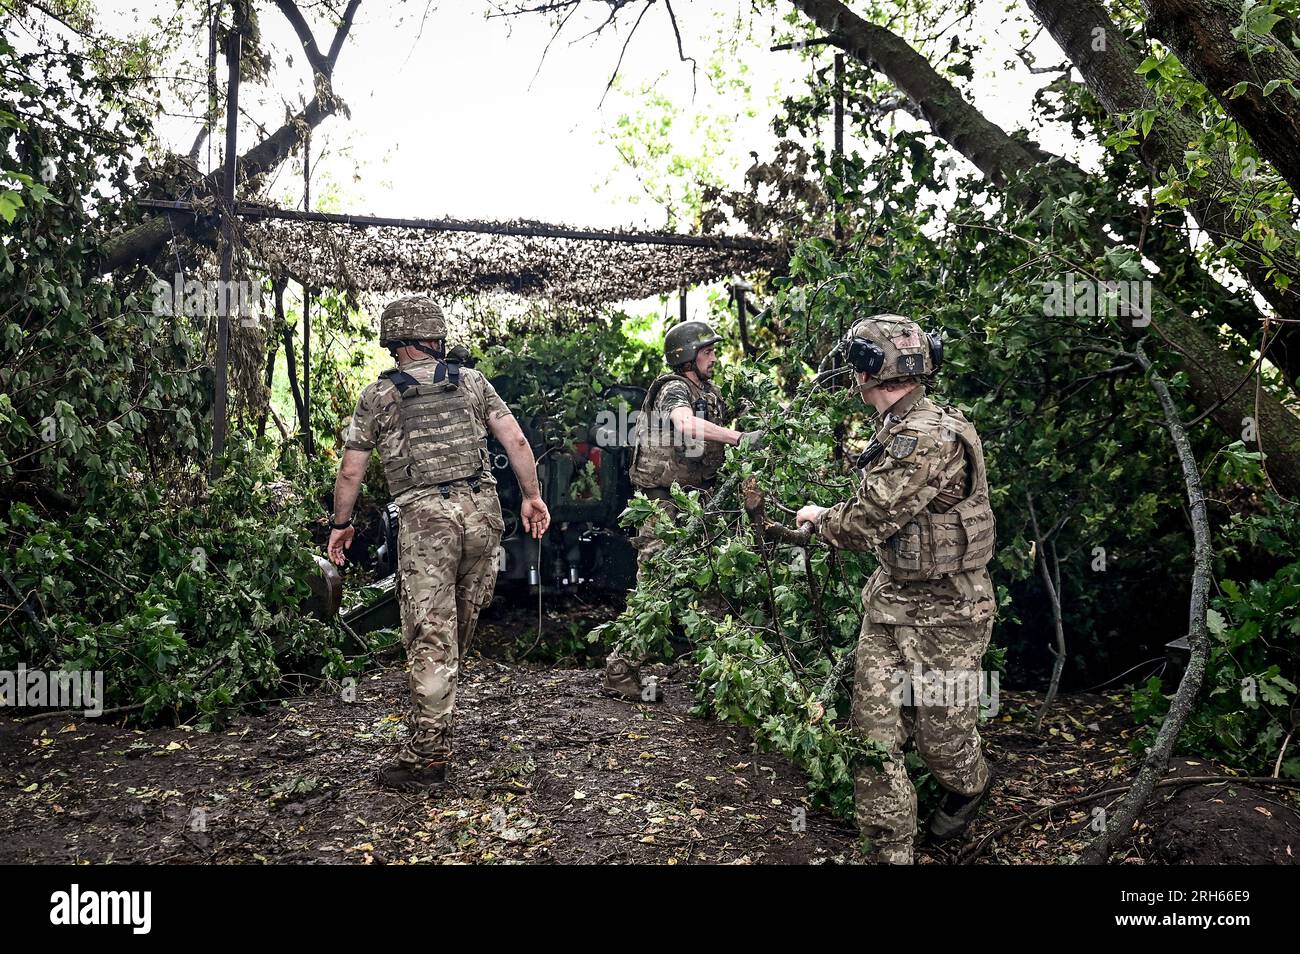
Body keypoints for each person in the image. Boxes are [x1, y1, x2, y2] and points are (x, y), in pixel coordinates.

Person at [327, 295, 550, 791]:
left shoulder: (377, 396)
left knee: (431, 634)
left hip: (428, 521)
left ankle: (427, 755)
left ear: (396, 342)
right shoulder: (472, 381)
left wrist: (341, 523)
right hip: (482, 513)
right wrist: (531, 497)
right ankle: (434, 721)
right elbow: (514, 440)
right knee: (457, 626)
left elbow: (351, 469)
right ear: (434, 336)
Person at [796, 313, 996, 863]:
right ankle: (890, 852)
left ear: (868, 371)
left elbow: (869, 520)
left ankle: (969, 787)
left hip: (950, 614)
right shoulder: (894, 428)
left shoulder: (926, 434)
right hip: (891, 606)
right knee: (873, 740)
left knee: (943, 747)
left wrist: (819, 517)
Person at [601, 319, 762, 701]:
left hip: (696, 501)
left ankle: (721, 673)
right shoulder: (674, 389)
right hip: (662, 504)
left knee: (711, 584)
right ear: (686, 357)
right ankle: (620, 671)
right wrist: (740, 439)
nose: (714, 357)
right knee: (656, 587)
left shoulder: (707, 390)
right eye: (707, 351)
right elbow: (686, 424)